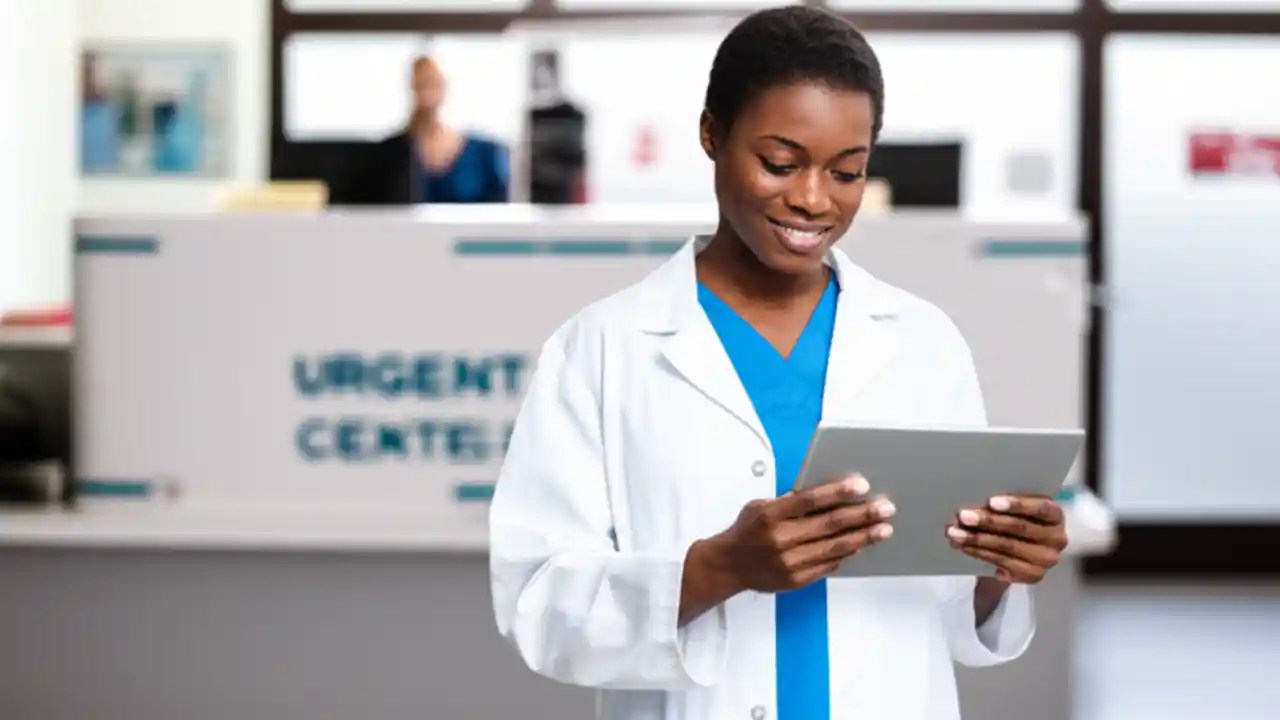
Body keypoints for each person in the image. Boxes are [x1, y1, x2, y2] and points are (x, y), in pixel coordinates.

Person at [488, 7, 1068, 720]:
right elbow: (539, 605)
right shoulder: (601, 348)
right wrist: (720, 568)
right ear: (712, 135)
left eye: (847, 171)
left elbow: (952, 612)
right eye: (780, 163)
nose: (813, 199)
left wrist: (999, 570)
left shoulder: (923, 341)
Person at [353, 56, 509, 204]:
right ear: (411, 89)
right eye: (420, 86)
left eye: (433, 84)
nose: (427, 94)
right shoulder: (391, 152)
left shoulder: (483, 152)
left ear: (445, 87)